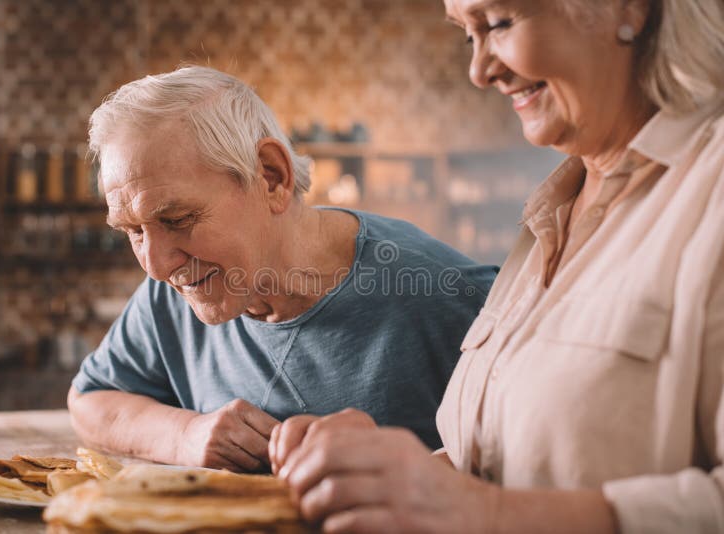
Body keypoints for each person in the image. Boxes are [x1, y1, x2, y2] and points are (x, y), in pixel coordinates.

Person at [270, 0, 724, 532]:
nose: (479, 71)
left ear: (627, 9)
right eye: (469, 36)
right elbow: (503, 467)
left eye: (500, 24)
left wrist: (479, 512)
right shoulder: (552, 212)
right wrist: (382, 475)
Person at [67, 66, 497, 473]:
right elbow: (91, 400)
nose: (157, 266)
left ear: (271, 178)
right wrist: (184, 434)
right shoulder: (177, 288)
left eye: (178, 220)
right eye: (133, 232)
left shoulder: (452, 298)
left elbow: (534, 464)